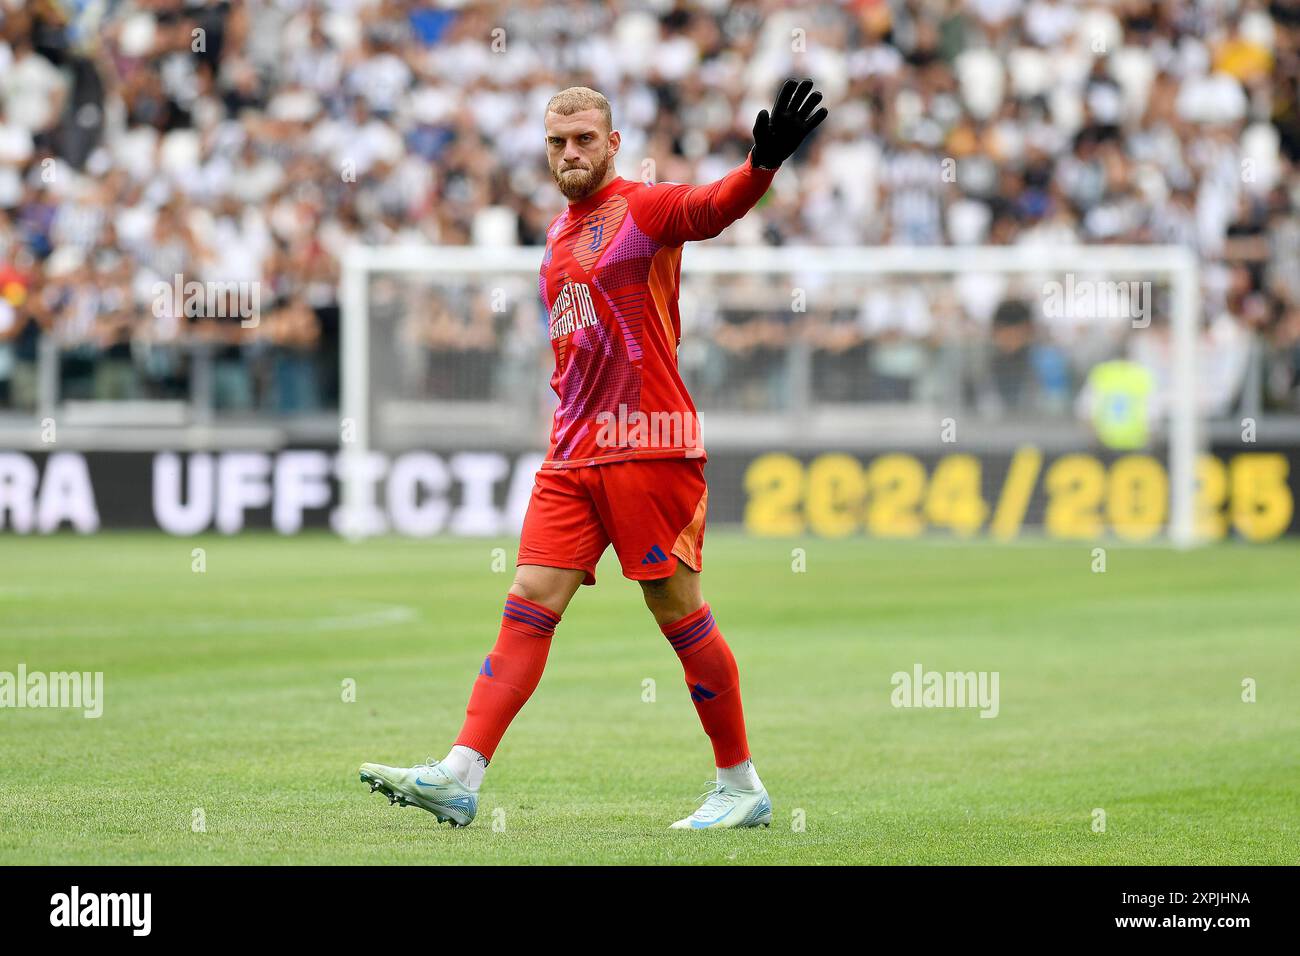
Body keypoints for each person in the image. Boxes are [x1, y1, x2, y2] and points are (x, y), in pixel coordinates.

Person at [360, 79, 828, 829]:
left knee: (677, 612)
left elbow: (712, 208)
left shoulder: (642, 208)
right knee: (527, 604)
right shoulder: (553, 237)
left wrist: (760, 166)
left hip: (648, 443)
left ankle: (740, 785)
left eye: (583, 139)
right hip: (573, 452)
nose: (569, 152)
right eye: (556, 142)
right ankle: (459, 775)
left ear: (612, 144)